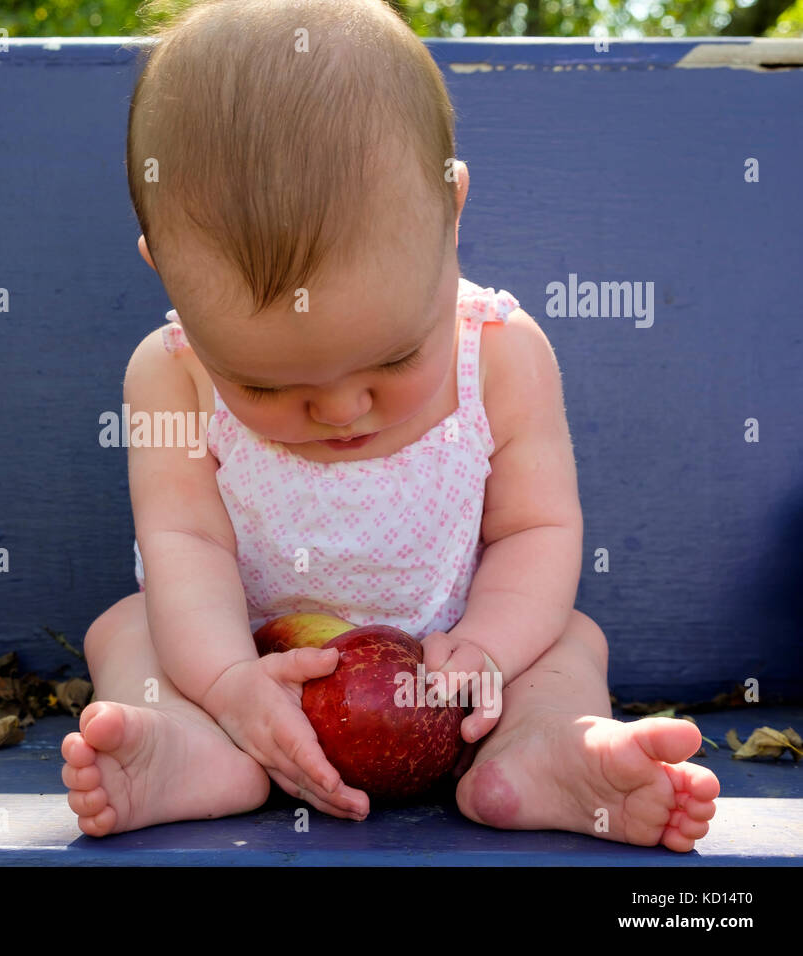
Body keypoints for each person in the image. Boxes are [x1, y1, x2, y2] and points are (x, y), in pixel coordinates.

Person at [62, 0, 719, 849]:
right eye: (264, 384)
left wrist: (487, 648)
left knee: (568, 643)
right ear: (170, 279)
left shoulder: (502, 355)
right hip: (257, 681)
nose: (340, 410)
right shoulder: (174, 375)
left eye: (395, 359)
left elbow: (537, 529)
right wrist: (227, 683)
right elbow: (184, 545)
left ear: (453, 211)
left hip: (462, 687)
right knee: (126, 630)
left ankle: (537, 750)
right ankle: (199, 752)